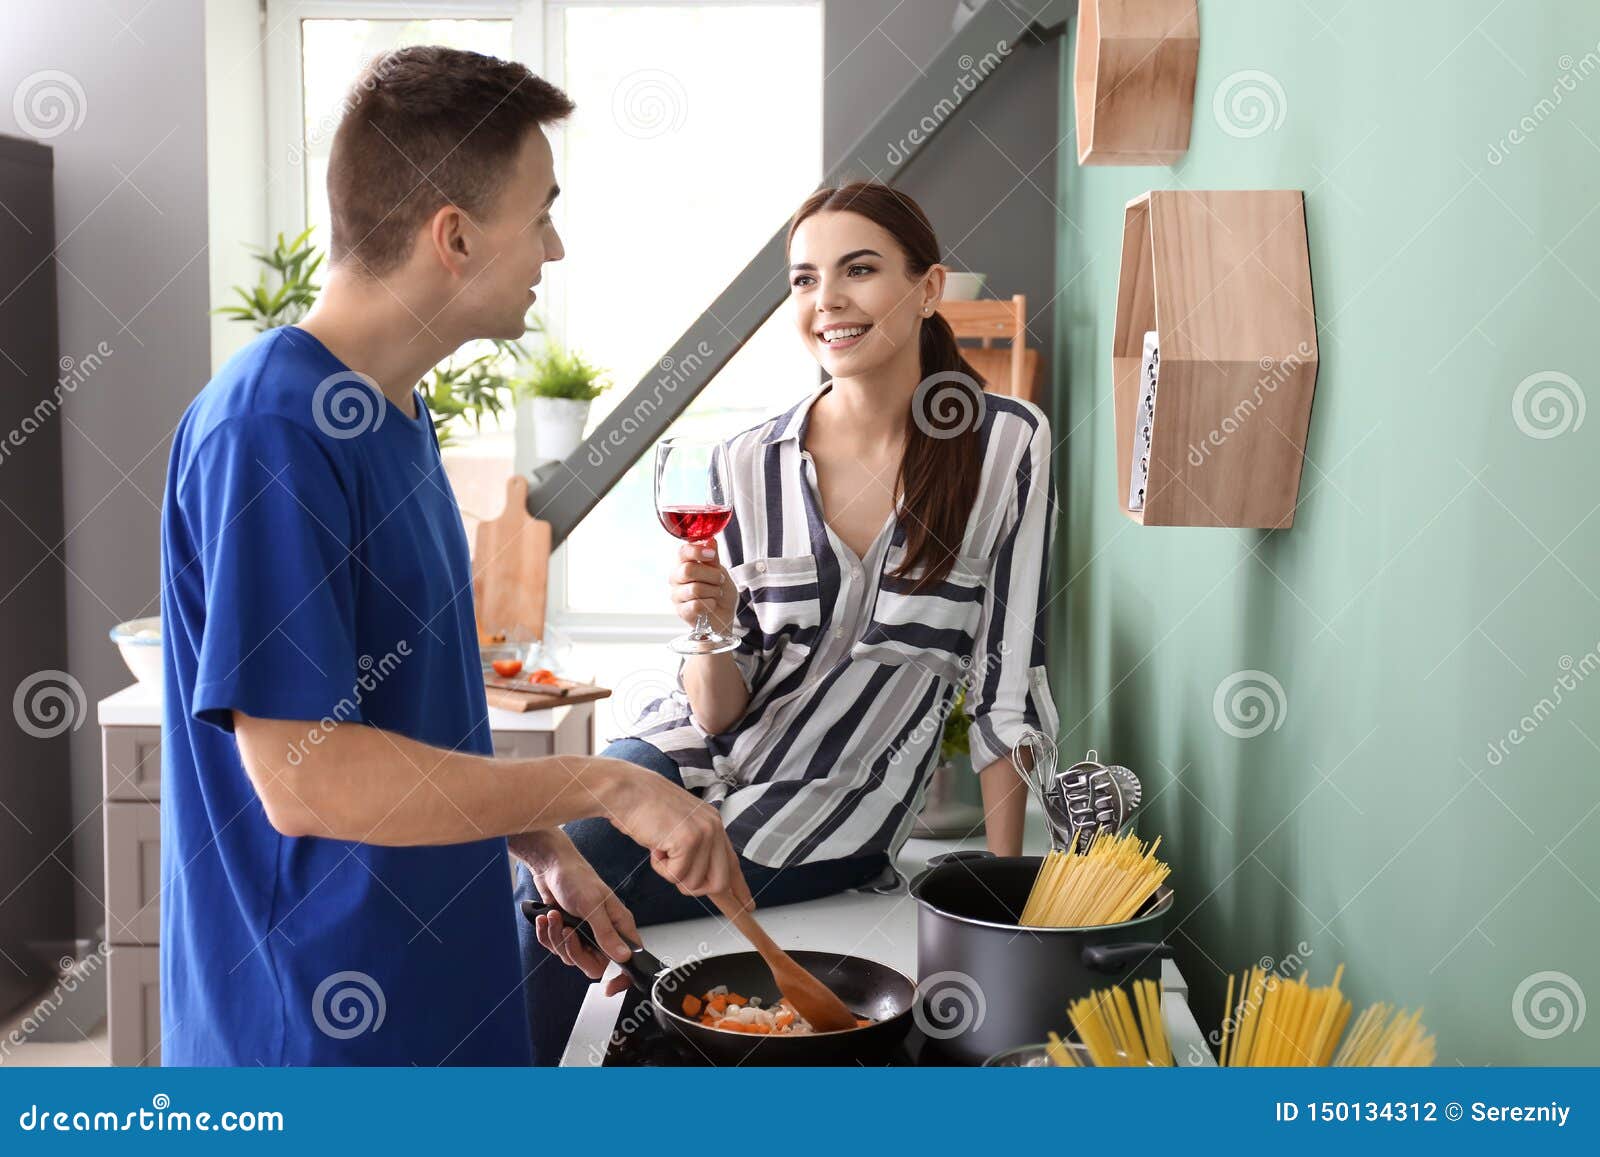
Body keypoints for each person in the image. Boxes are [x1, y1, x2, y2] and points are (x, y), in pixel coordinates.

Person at [159, 46, 750, 1067]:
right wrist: (606, 785)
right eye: (542, 213)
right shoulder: (273, 429)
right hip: (314, 1033)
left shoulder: (394, 411)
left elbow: (405, 716)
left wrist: (540, 844)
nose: (554, 249)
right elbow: (311, 780)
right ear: (457, 236)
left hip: (440, 995)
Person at [516, 181, 1060, 1063]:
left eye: (859, 270)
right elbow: (717, 711)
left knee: (578, 880)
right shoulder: (744, 459)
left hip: (837, 800)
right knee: (554, 856)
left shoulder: (1007, 445)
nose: (827, 300)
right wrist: (712, 627)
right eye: (805, 279)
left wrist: (1000, 901)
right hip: (692, 749)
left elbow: (1006, 687)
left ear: (928, 289)